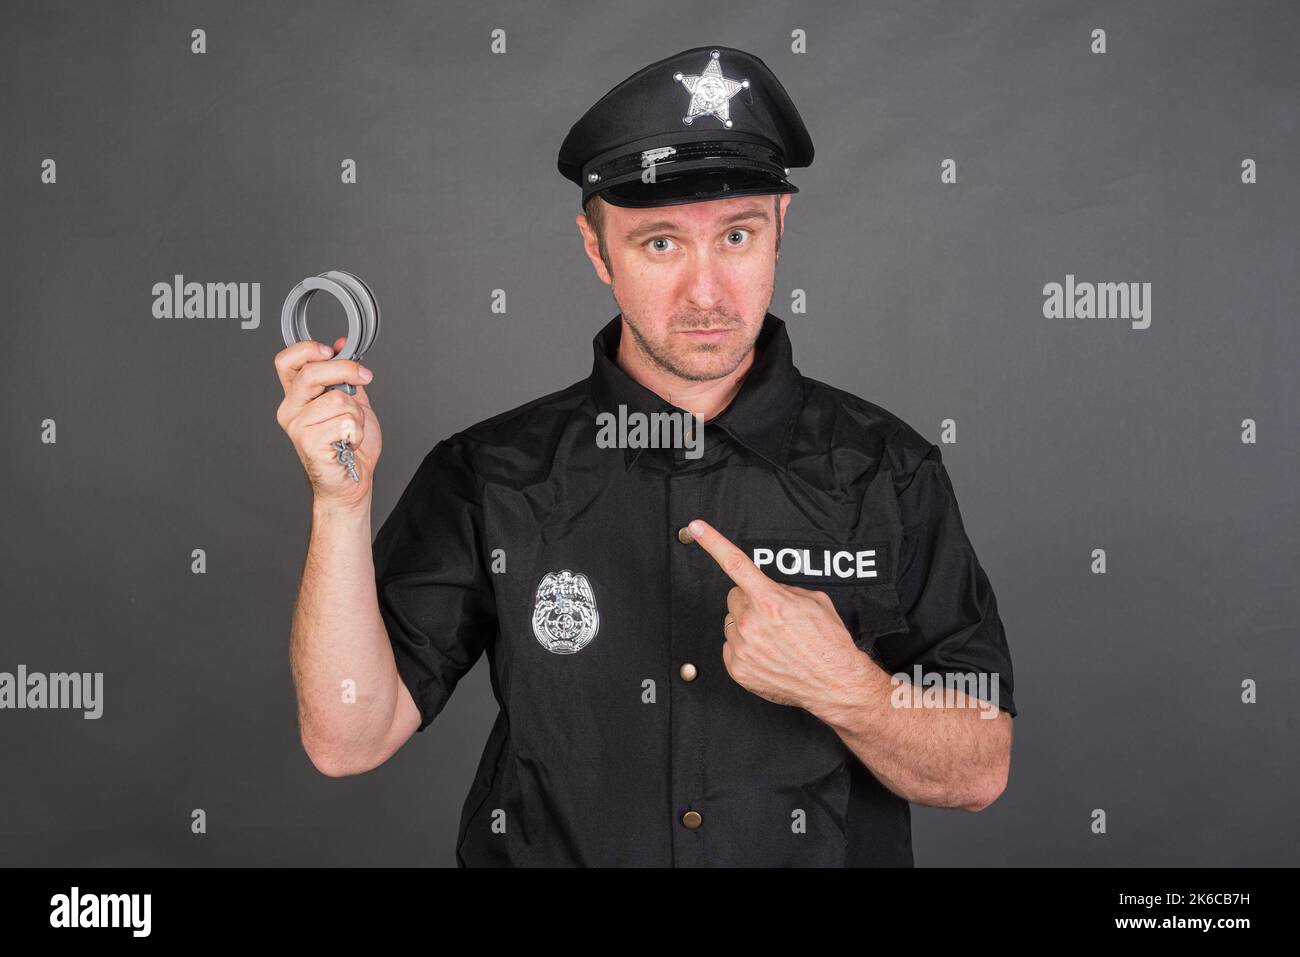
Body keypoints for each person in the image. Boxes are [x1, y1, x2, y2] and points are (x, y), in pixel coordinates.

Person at [274, 44, 1015, 867]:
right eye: (660, 244)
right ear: (597, 250)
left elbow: (980, 766)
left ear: (780, 230)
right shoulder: (491, 475)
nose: (706, 291)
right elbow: (349, 737)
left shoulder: (890, 470)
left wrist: (849, 689)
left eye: (737, 234)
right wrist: (338, 503)